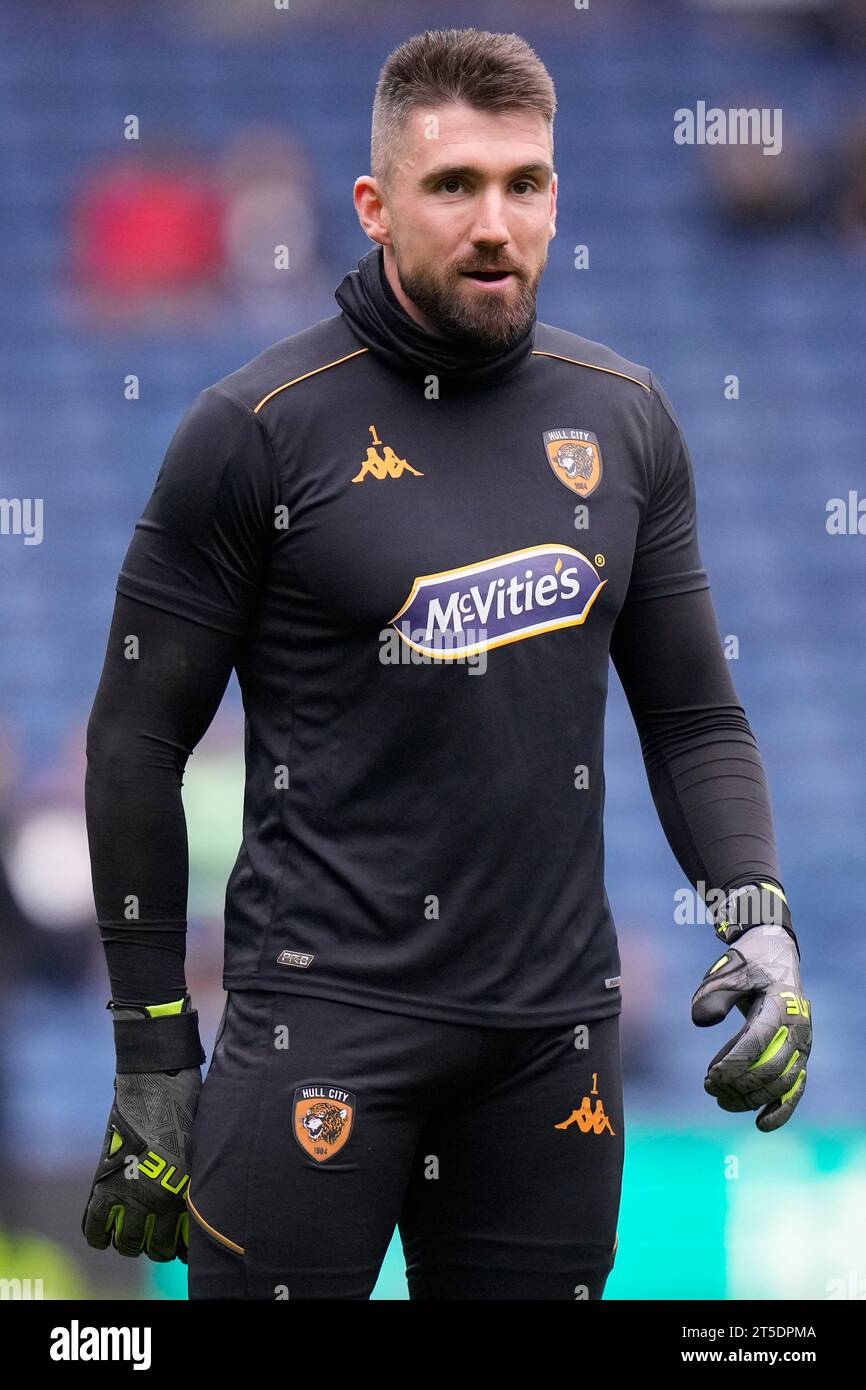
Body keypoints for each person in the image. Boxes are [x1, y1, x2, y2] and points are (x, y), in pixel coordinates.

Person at [82, 28, 811, 1301]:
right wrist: (151, 1048)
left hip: (549, 1045)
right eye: (453, 185)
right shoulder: (253, 431)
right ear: (373, 207)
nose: (493, 223)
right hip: (319, 1033)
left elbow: (692, 714)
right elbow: (134, 747)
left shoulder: (622, 418)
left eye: (523, 184)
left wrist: (759, 918)